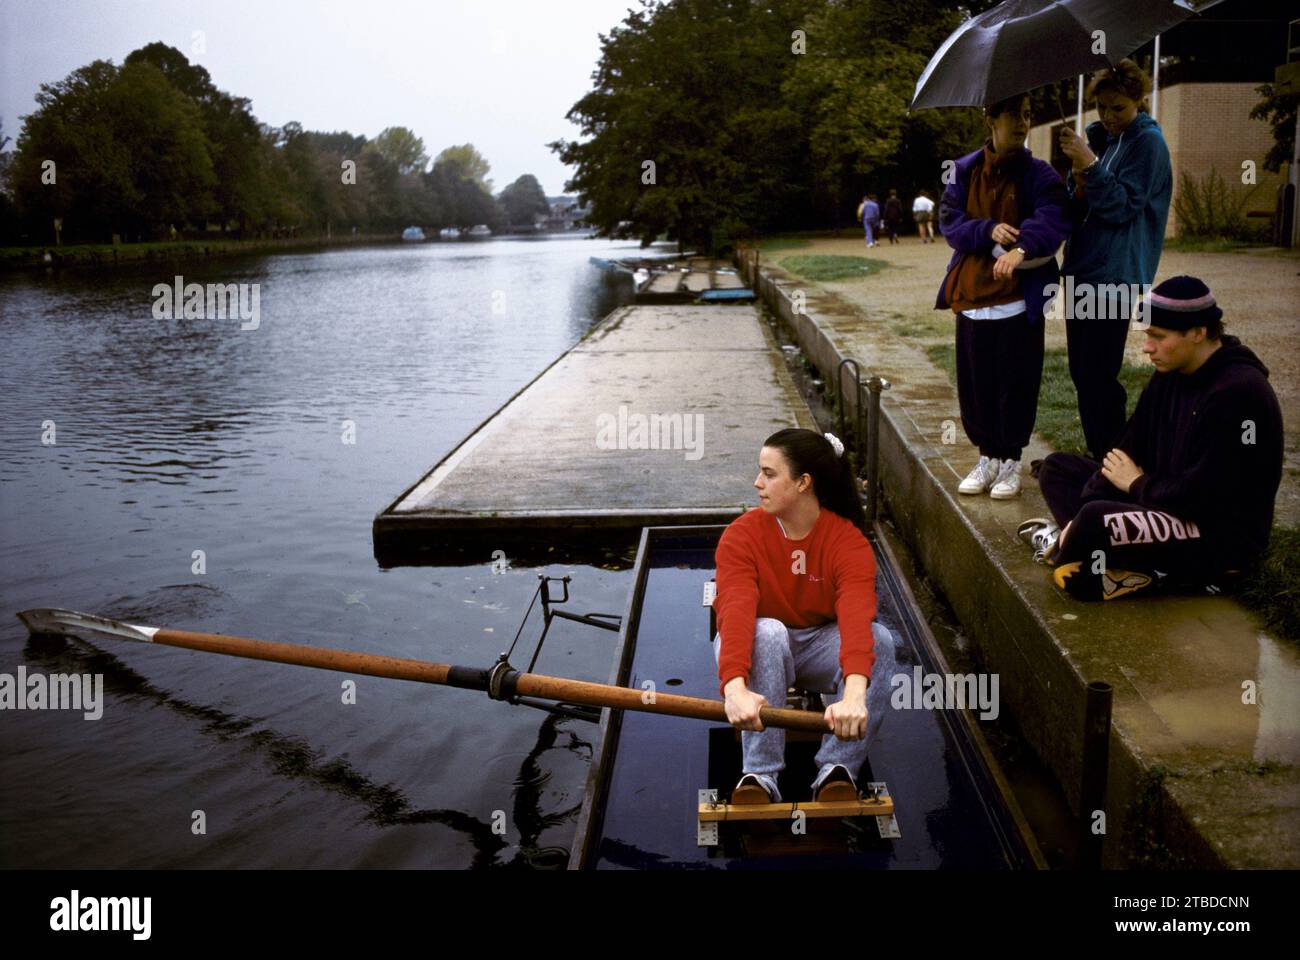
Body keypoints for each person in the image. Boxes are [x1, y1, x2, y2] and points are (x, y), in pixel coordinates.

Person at [1019, 276, 1283, 601]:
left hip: (1213, 531)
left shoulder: (1239, 393)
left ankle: (1082, 549)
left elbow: (1206, 497)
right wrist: (1101, 498)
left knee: (1091, 526)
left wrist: (1136, 485)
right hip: (1162, 500)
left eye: (1158, 337)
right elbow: (1128, 446)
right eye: (1147, 336)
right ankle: (1084, 545)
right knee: (1057, 469)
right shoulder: (1169, 373)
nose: (1147, 347)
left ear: (1199, 333)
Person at [713, 428, 895, 804]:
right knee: (768, 632)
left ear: (803, 483)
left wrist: (855, 696)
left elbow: (857, 622)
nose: (757, 482)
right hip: (757, 644)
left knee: (882, 639)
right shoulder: (741, 536)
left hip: (816, 646)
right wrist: (734, 689)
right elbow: (736, 614)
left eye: (769, 473)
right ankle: (760, 774)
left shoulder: (848, 542)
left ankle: (838, 769)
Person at [935, 93, 1070, 500]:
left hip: (1017, 299)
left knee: (1016, 382)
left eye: (1028, 114)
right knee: (977, 386)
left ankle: (1010, 461)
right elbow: (950, 222)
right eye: (1013, 114)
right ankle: (986, 458)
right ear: (990, 118)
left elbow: (1053, 217)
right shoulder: (960, 171)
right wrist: (987, 230)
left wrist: (1022, 247)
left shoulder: (1040, 173)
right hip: (973, 296)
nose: (1023, 123)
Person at [1058, 59, 1172, 462]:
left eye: (1118, 108)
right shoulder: (1099, 138)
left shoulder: (1149, 145)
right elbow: (1079, 205)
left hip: (1116, 275)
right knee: (1081, 373)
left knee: (1099, 374)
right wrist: (1078, 173)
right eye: (1102, 107)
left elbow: (1123, 207)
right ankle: (1100, 456)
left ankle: (1114, 460)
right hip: (1080, 268)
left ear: (1139, 101)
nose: (1108, 117)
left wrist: (1089, 164)